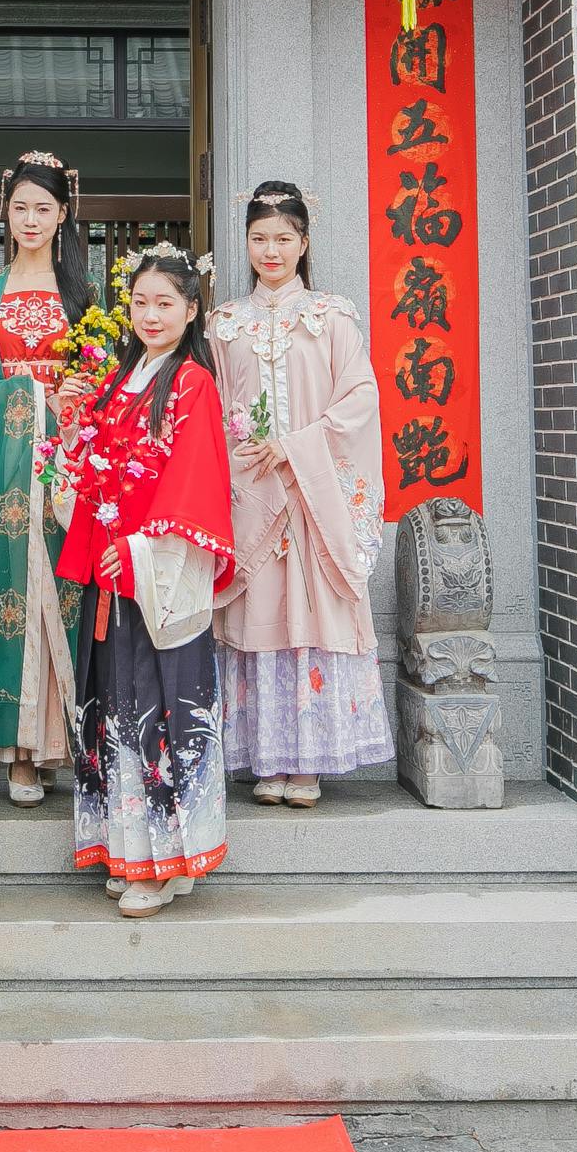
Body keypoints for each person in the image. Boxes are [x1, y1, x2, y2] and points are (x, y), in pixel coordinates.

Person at [49, 243, 238, 917]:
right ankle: (133, 850)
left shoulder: (191, 384)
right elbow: (83, 472)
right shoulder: (117, 380)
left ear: (192, 311)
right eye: (140, 303)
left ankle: (165, 861)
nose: (150, 315)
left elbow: (194, 483)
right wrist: (71, 424)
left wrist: (137, 549)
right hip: (112, 571)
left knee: (157, 710)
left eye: (166, 303)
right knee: (117, 707)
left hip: (155, 572)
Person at [210, 181, 391, 806]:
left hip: (315, 494)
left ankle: (308, 760)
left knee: (310, 616)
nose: (271, 250)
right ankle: (267, 757)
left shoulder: (332, 316)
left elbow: (361, 399)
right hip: (253, 491)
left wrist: (297, 445)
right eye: (259, 239)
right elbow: (218, 407)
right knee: (260, 617)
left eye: (283, 239)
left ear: (304, 243)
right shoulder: (225, 322)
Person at [0, 150, 94, 807]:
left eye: (44, 208)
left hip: (64, 465)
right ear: (6, 211)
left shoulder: (83, 295)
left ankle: (54, 743)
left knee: (64, 594)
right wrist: (27, 395)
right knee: (2, 595)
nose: (31, 219)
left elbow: (104, 381)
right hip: (2, 465)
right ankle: (13, 750)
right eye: (21, 206)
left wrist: (78, 398)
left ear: (64, 215)